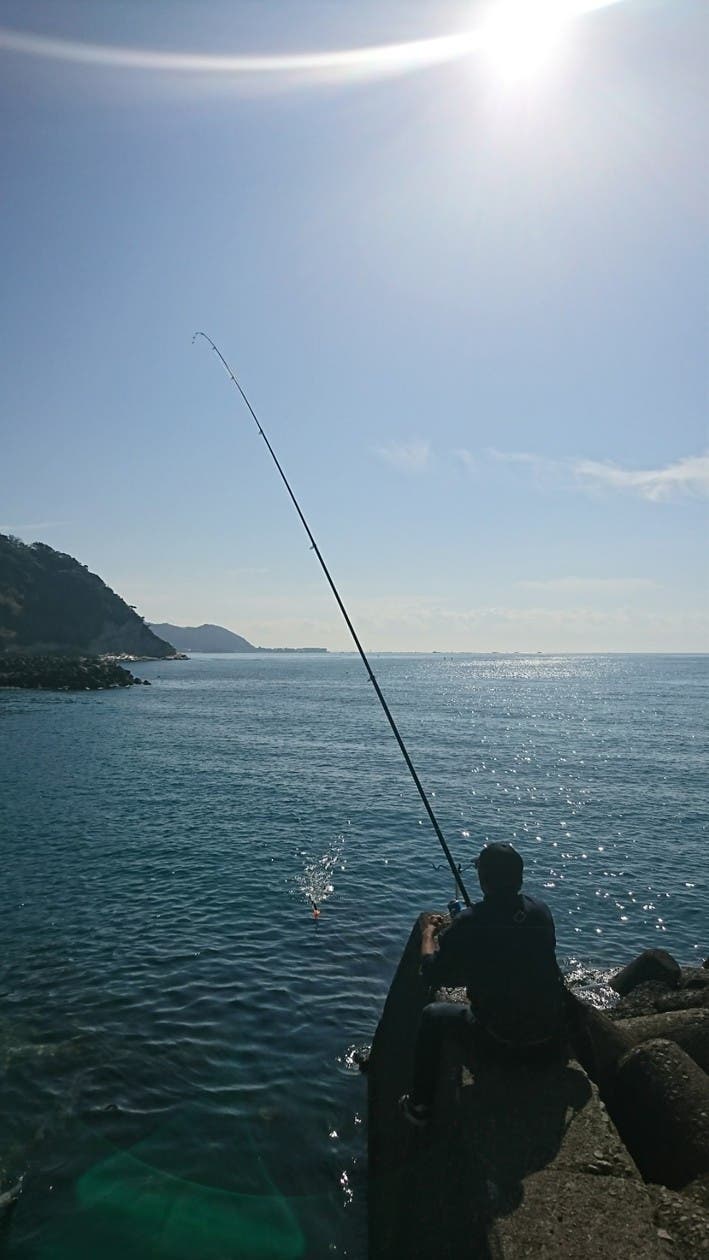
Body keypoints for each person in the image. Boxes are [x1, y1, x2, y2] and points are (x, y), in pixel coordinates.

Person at [399, 842, 567, 1127]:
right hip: (551, 1039)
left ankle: (419, 1106)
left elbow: (431, 973)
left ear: (483, 880)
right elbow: (510, 945)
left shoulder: (469, 923)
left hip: (503, 1043)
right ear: (520, 878)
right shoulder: (541, 911)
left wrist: (429, 934)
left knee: (432, 1015)